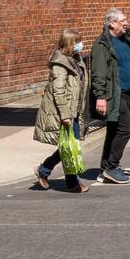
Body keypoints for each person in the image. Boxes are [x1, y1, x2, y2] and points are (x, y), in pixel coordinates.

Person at [90, 8, 130, 185]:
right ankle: (111, 167)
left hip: (127, 92)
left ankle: (104, 169)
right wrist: (100, 97)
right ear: (111, 23)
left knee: (114, 130)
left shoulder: (124, 40)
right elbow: (98, 73)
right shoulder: (102, 45)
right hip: (113, 94)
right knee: (126, 128)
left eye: (126, 19)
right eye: (122, 20)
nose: (126, 23)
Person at [32, 28, 89, 193]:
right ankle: (71, 183)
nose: (81, 45)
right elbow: (59, 91)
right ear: (70, 44)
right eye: (77, 42)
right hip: (65, 112)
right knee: (69, 145)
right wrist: (65, 115)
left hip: (75, 110)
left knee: (69, 145)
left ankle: (44, 170)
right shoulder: (60, 63)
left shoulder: (74, 59)